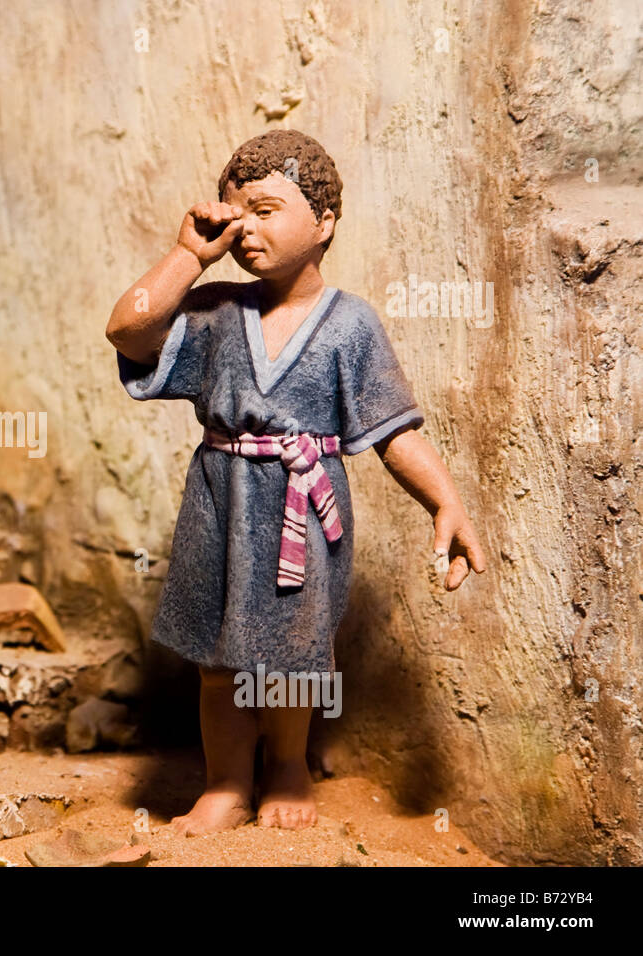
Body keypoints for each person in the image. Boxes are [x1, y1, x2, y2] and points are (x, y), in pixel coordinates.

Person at [105, 129, 486, 833]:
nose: (247, 226)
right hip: (219, 500)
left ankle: (287, 766)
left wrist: (447, 502)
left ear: (325, 222)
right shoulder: (216, 311)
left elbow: (393, 432)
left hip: (302, 508)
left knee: (293, 651)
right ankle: (225, 783)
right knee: (218, 658)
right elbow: (128, 330)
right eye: (234, 211)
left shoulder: (351, 325)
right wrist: (189, 254)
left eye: (268, 209)